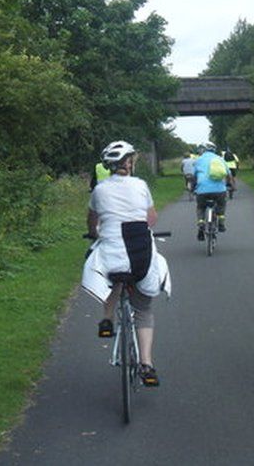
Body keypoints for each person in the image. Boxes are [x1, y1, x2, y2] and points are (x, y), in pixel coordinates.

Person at [82, 140, 172, 386]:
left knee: (112, 277)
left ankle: (107, 319)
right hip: (140, 255)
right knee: (143, 309)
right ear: (129, 162)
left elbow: (92, 221)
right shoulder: (140, 185)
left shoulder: (99, 190)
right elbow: (151, 219)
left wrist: (95, 233)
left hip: (112, 255)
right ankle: (147, 364)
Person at [192, 142, 233, 240]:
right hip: (219, 190)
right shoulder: (220, 159)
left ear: (203, 150)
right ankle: (221, 223)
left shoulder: (199, 160)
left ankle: (201, 223)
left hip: (202, 190)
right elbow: (228, 174)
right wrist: (228, 184)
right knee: (221, 204)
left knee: (201, 207)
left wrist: (194, 187)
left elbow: (194, 176)